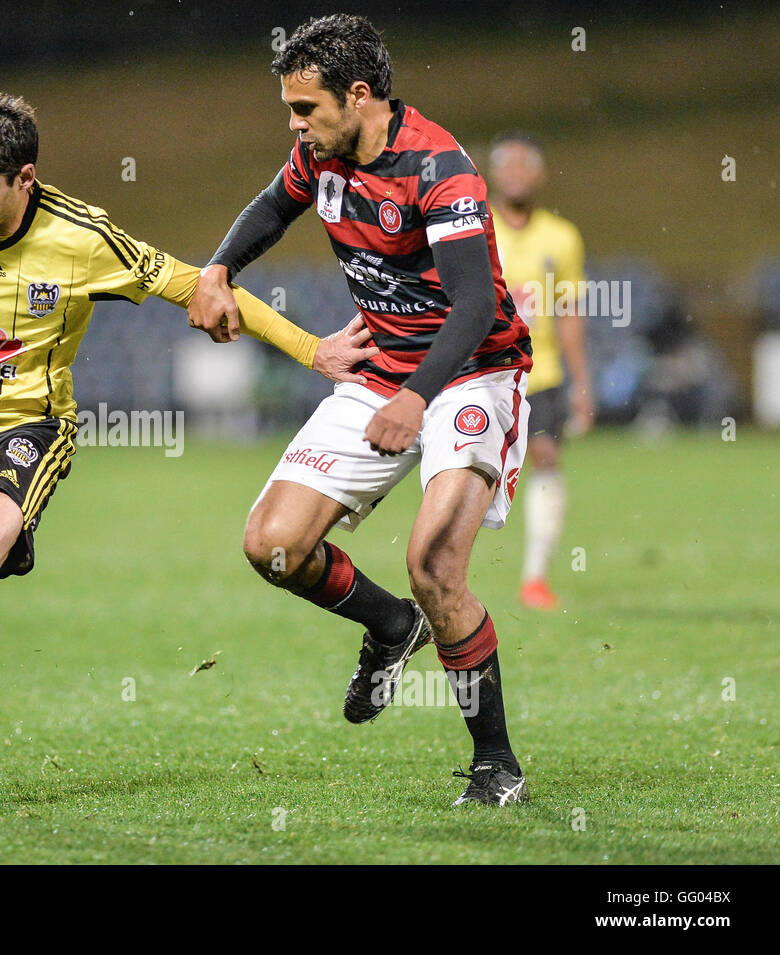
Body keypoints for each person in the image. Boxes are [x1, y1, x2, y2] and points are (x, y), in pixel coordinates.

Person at [0, 91, 374, 817]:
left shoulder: (82, 237)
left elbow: (193, 282)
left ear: (25, 180)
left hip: (25, 431)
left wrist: (311, 349)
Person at [188, 15, 533, 806]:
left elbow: (476, 306)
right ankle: (389, 626)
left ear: (359, 95)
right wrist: (217, 268)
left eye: (305, 109)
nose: (295, 126)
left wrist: (416, 399)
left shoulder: (440, 169)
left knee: (435, 563)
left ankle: (496, 763)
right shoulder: (321, 155)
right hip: (383, 374)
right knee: (272, 546)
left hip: (471, 374)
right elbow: (271, 209)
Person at [488, 132, 592, 610]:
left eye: (524, 165)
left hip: (541, 369)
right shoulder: (475, 224)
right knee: (470, 468)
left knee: (547, 457)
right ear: (494, 174)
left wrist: (582, 384)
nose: (515, 174)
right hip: (483, 369)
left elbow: (569, 313)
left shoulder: (562, 237)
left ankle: (534, 577)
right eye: (506, 165)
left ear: (540, 175)